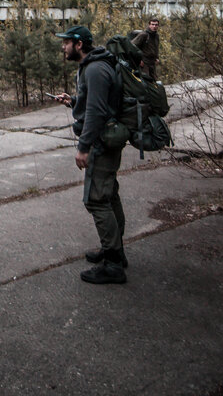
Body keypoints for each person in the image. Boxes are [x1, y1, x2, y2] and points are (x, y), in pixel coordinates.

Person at [52, 25, 128, 284]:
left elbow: (96, 112)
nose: (63, 47)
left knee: (96, 201)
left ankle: (114, 263)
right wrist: (73, 101)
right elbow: (96, 101)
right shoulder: (97, 65)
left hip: (100, 142)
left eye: (66, 43)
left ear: (79, 45)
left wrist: (83, 147)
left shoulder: (94, 69)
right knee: (109, 194)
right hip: (107, 137)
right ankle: (115, 250)